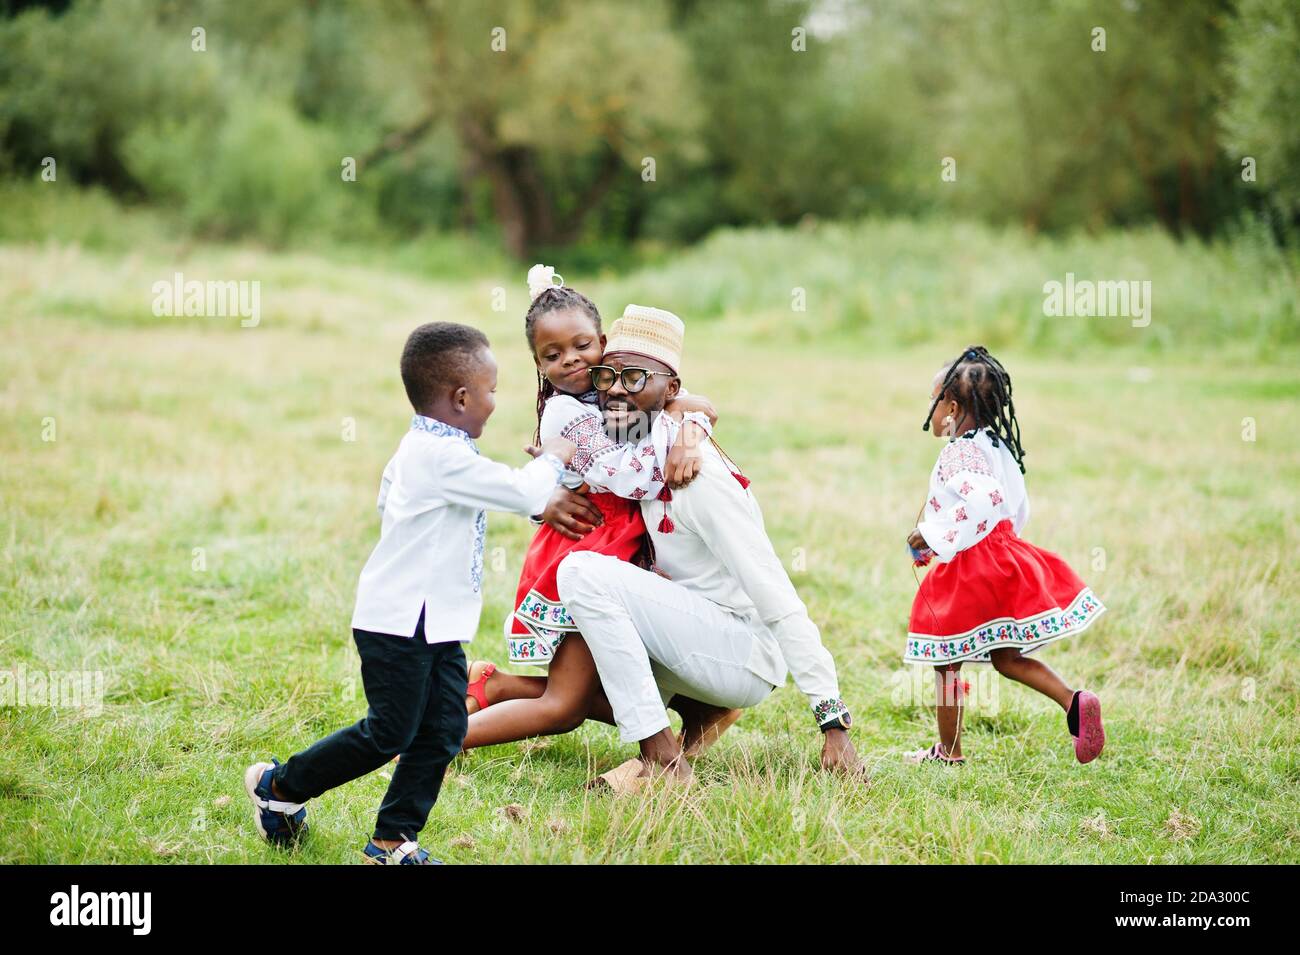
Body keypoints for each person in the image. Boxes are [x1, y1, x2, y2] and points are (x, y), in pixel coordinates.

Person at [242, 322, 575, 864]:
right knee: (388, 731)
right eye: (492, 391)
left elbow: (395, 505)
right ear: (461, 397)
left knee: (444, 729)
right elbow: (521, 490)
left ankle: (393, 840)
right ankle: (277, 787)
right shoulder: (437, 457)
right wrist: (555, 456)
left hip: (438, 624)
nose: (495, 402)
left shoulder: (433, 451)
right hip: (396, 624)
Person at [555, 304, 864, 789]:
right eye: (606, 376)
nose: (615, 389)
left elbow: (777, 600)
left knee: (582, 574)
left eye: (635, 377)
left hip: (740, 652)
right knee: (574, 668)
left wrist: (834, 724)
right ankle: (492, 695)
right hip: (689, 634)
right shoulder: (637, 458)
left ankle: (660, 758)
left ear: (670, 390)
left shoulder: (698, 478)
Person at [460, 265, 728, 751]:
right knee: (564, 706)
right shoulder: (566, 412)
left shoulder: (616, 388)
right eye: (552, 355)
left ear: (603, 340)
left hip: (623, 548)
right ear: (538, 365)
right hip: (588, 548)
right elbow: (637, 478)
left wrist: (688, 426)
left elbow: (700, 404)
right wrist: (676, 420)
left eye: (583, 346)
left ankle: (491, 686)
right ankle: (431, 744)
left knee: (600, 685)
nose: (571, 361)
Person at [903, 345, 1106, 765]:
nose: (931, 409)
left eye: (934, 400)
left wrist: (931, 534)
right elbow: (1015, 506)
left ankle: (949, 753)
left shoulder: (958, 450)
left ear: (953, 406)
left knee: (945, 660)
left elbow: (981, 499)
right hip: (1003, 552)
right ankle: (1074, 702)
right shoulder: (1000, 448)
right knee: (1006, 657)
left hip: (972, 562)